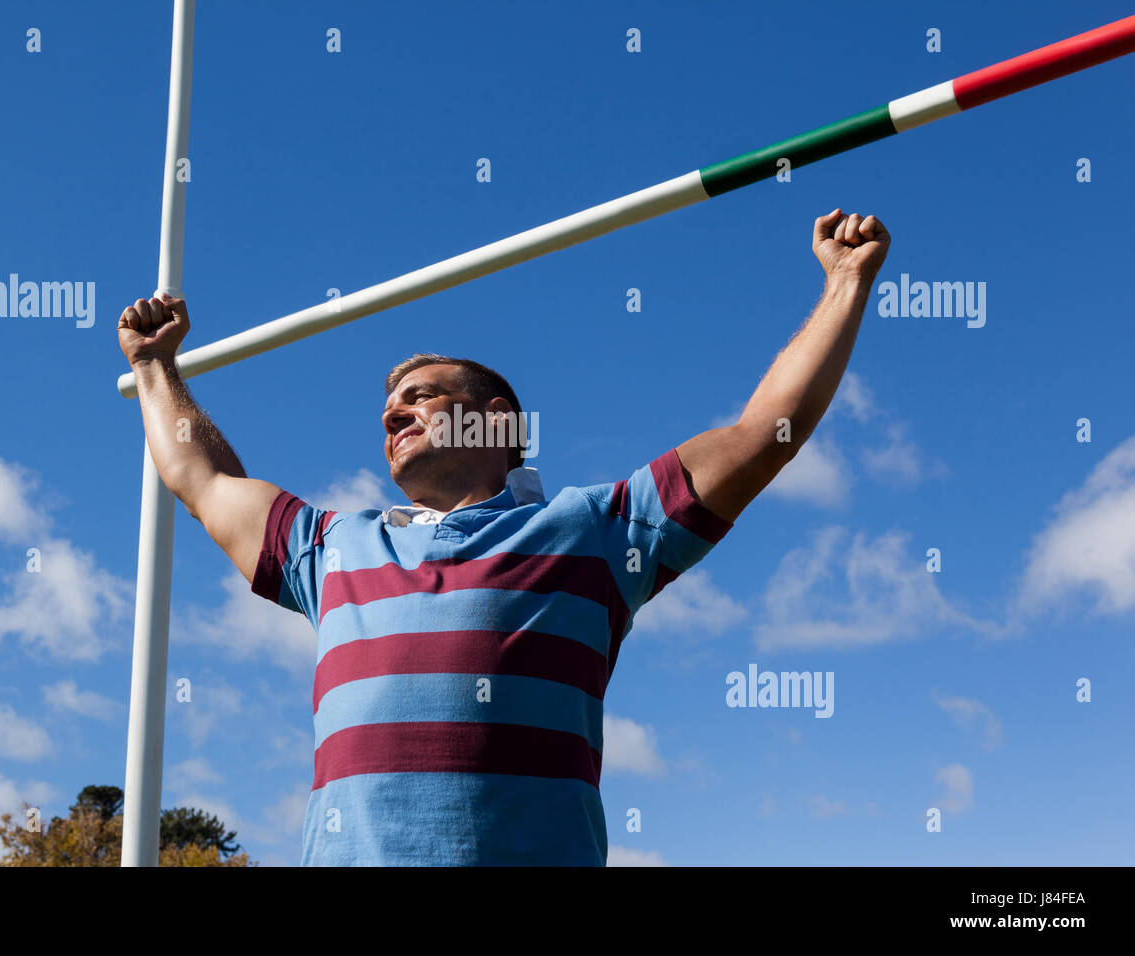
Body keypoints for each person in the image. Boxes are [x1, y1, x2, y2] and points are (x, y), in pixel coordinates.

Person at [117, 208, 890, 865]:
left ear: (495, 420)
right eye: (390, 406)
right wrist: (156, 368)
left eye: (421, 397)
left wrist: (845, 283)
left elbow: (765, 434)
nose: (392, 414)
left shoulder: (595, 529)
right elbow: (202, 481)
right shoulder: (332, 548)